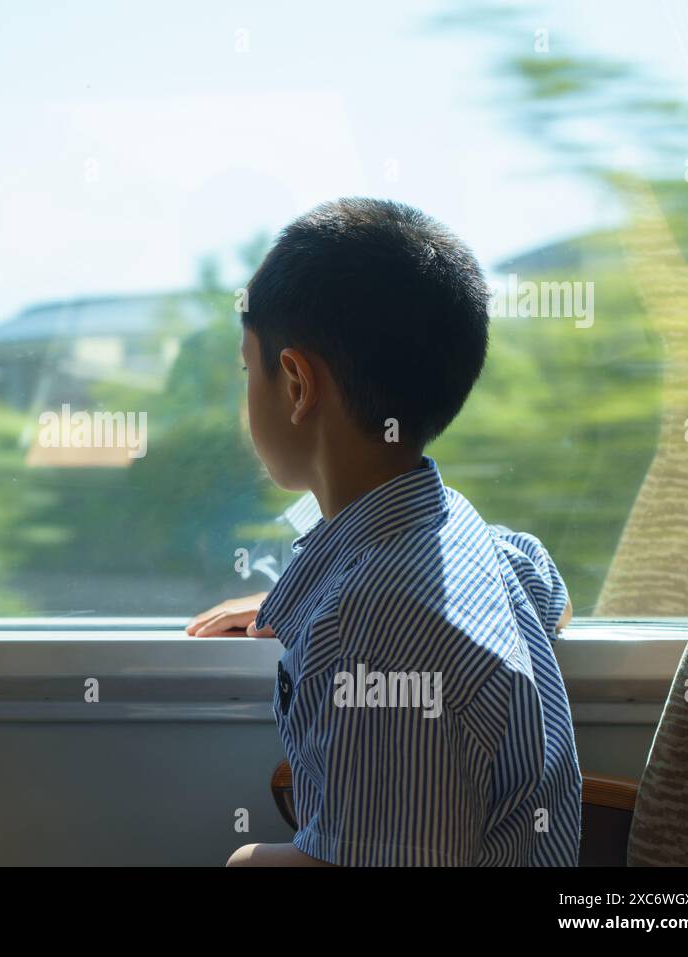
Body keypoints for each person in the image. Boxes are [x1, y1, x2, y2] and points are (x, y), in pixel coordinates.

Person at [192, 198, 580, 866]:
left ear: (294, 384)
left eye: (245, 368)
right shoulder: (466, 535)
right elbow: (552, 598)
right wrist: (323, 602)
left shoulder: (373, 626)